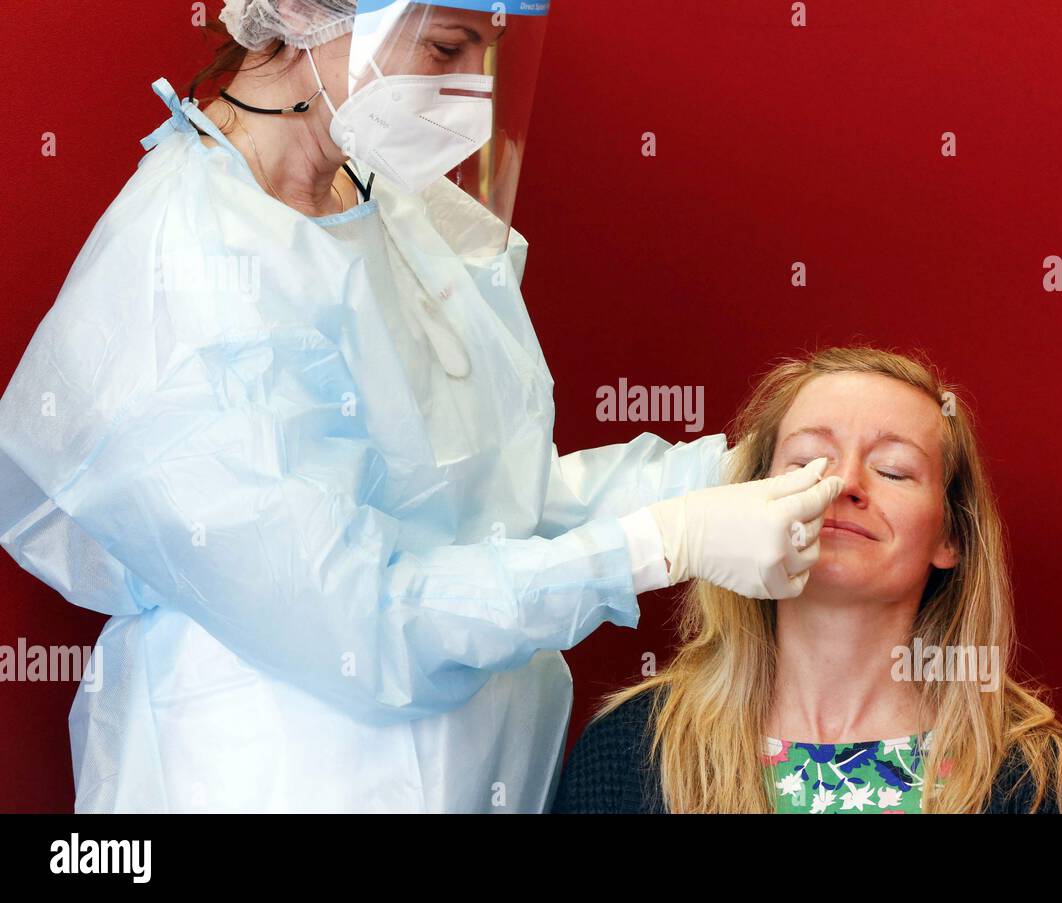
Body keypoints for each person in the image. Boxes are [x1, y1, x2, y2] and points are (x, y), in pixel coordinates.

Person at [0, 0, 842, 812]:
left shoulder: (383, 202)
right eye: (444, 49)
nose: (471, 90)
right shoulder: (194, 271)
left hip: (469, 771)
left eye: (487, 52)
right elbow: (362, 619)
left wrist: (722, 472)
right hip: (273, 779)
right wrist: (658, 546)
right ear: (299, 11)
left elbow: (488, 502)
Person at [552, 345, 1062, 814]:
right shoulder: (630, 751)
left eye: (893, 469)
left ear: (950, 537)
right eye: (809, 461)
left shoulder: (1030, 777)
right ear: (746, 501)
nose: (844, 485)